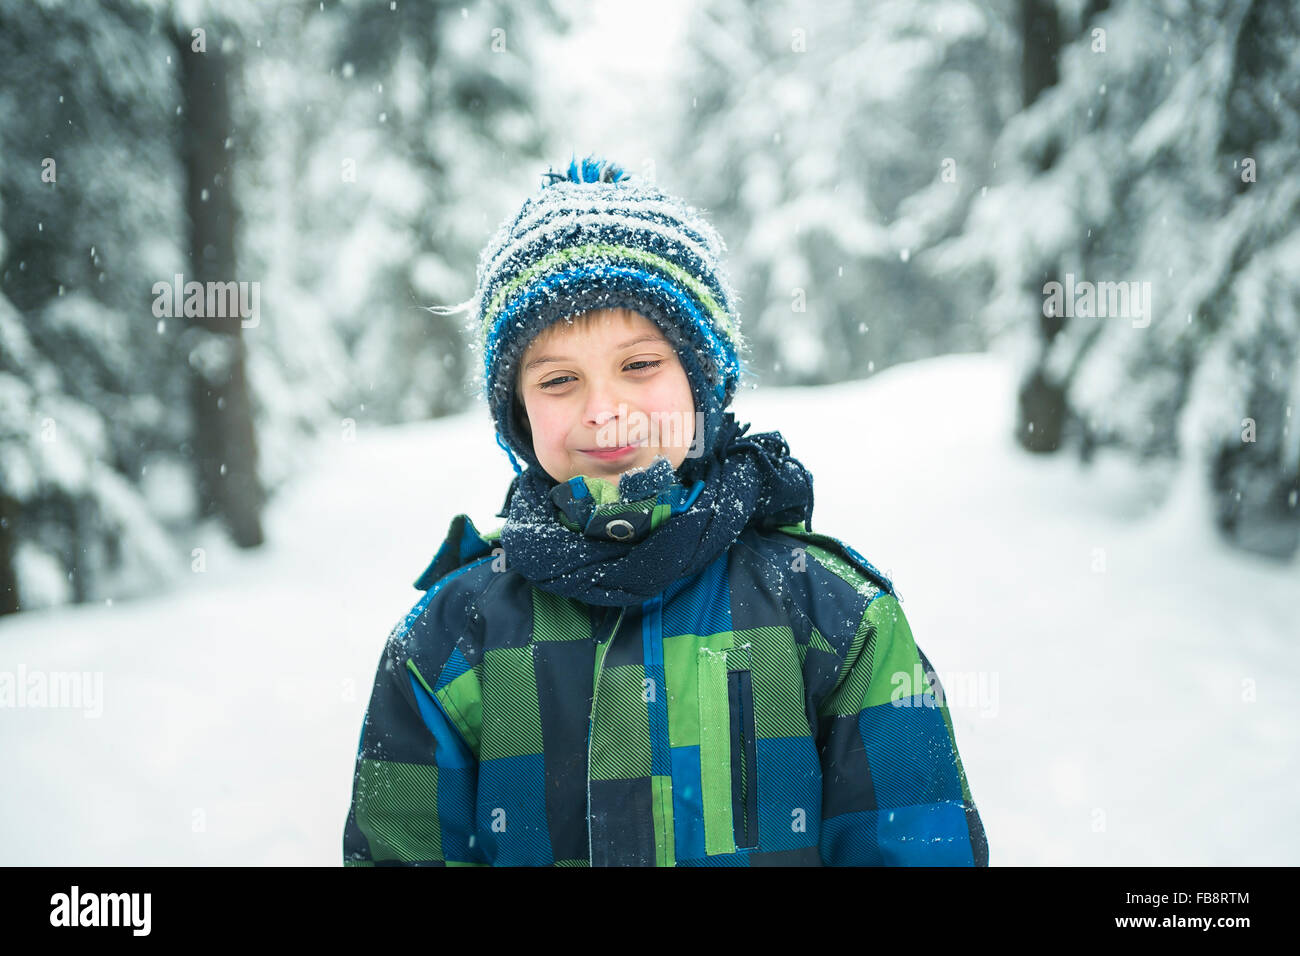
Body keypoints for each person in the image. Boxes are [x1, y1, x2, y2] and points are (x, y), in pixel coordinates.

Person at [342, 155, 989, 866]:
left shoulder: (831, 616)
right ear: (518, 416)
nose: (604, 410)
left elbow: (918, 846)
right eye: (559, 379)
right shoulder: (448, 642)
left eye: (640, 365)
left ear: (702, 377)